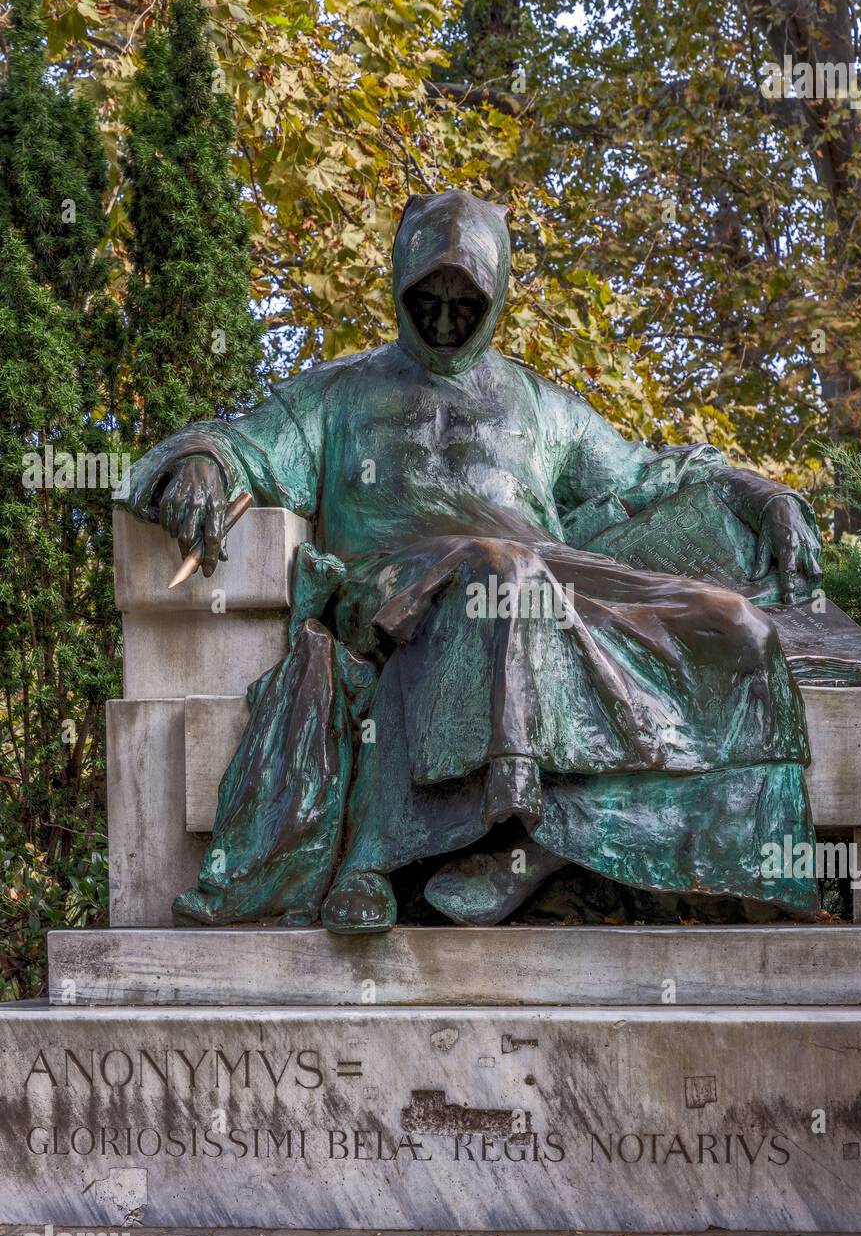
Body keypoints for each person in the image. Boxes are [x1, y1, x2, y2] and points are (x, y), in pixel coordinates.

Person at [117, 190, 822, 933]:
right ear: (400, 287)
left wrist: (759, 493)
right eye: (430, 300)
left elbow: (654, 474)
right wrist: (198, 463)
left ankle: (550, 851)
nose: (447, 322)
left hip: (544, 581)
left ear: (497, 296)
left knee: (736, 625)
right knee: (502, 573)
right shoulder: (338, 393)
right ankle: (436, 846)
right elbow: (241, 442)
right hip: (396, 586)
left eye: (467, 303)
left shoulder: (543, 407)